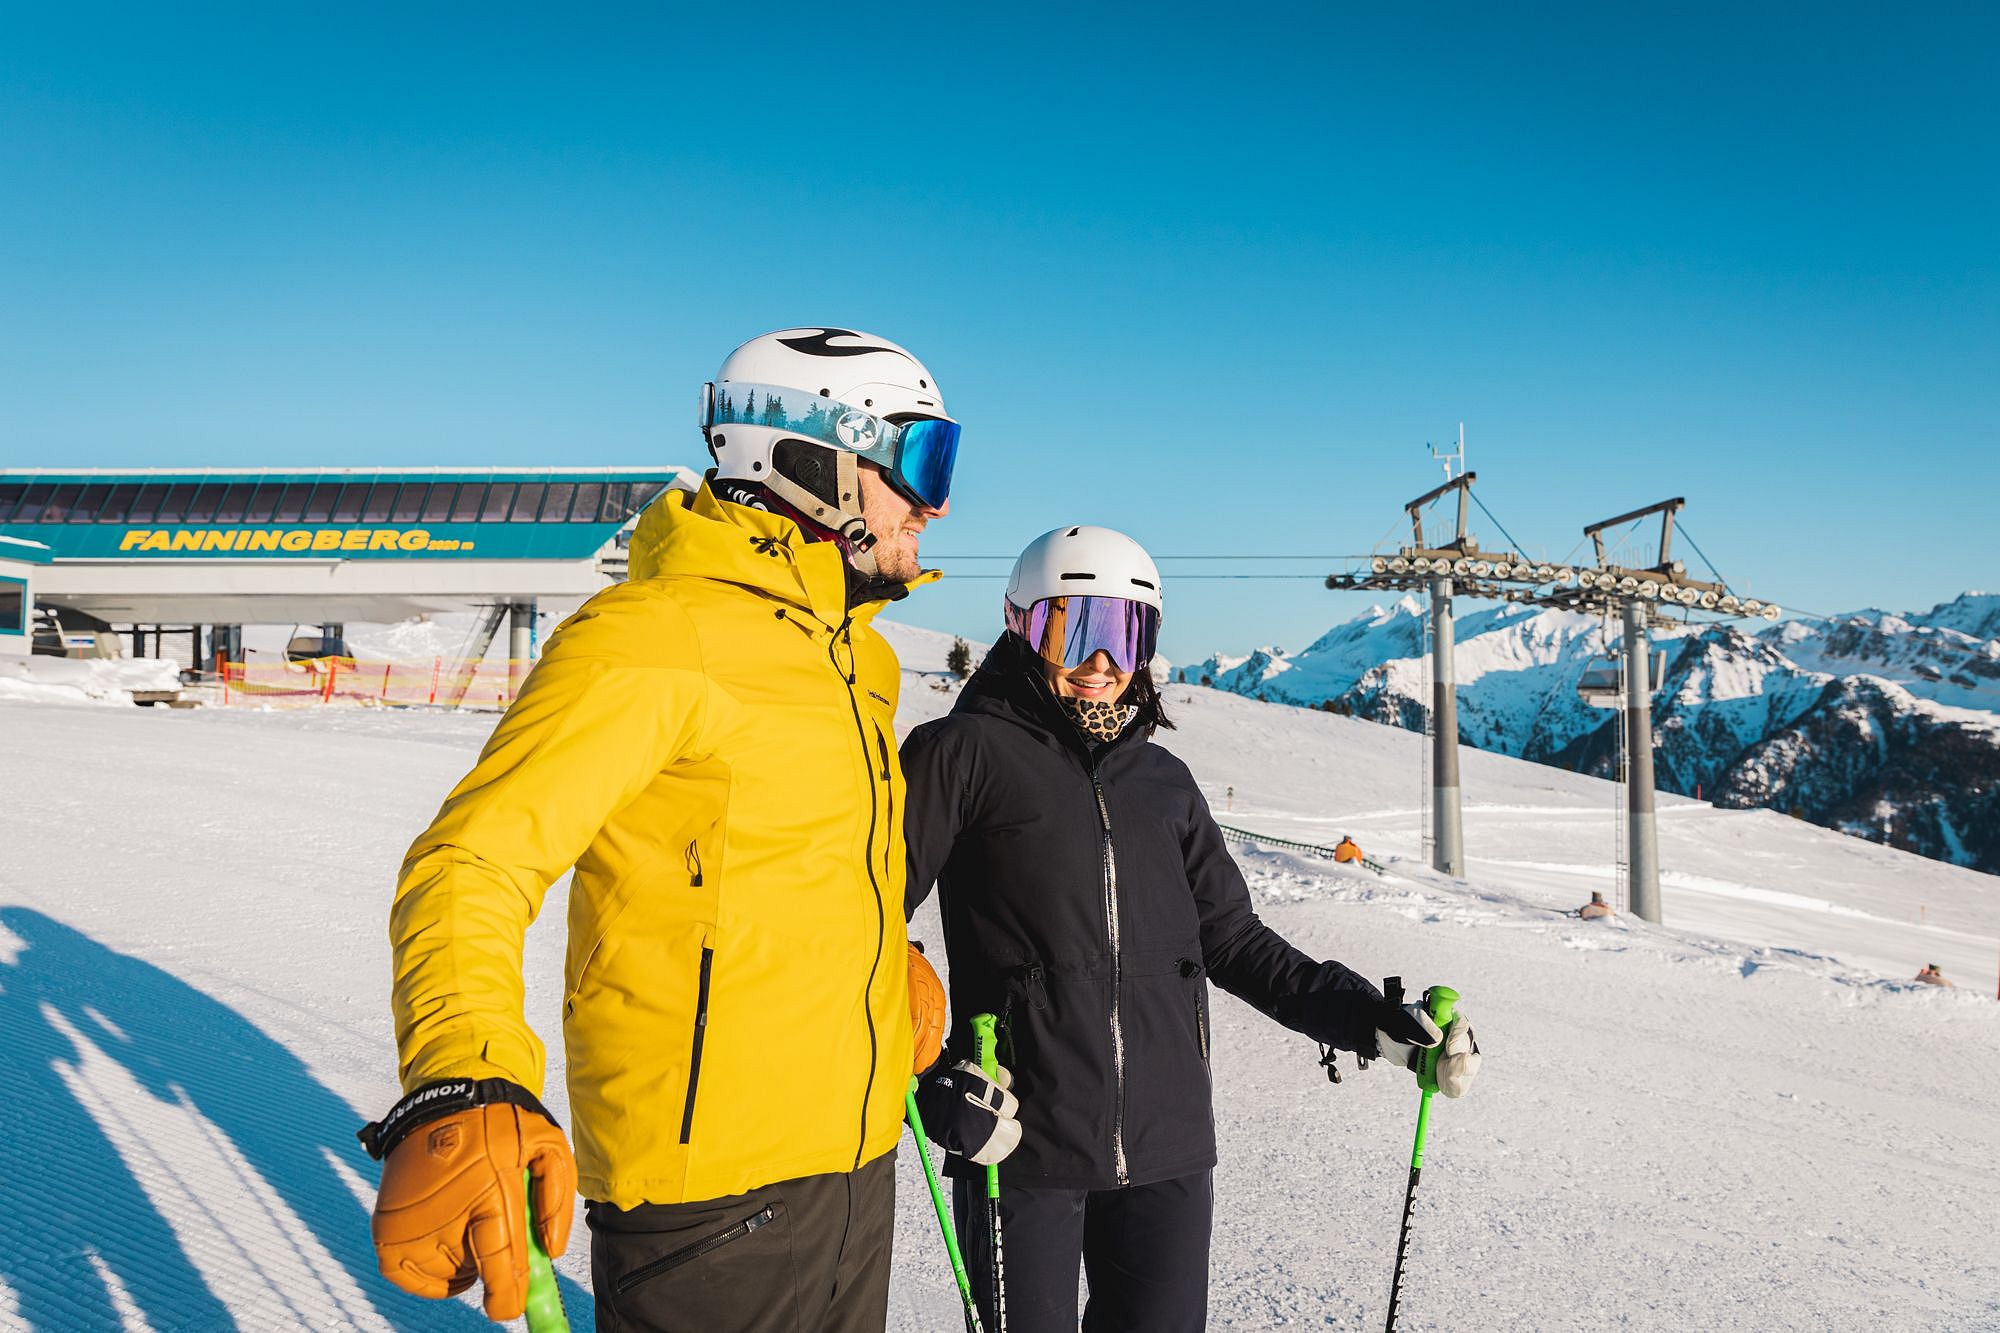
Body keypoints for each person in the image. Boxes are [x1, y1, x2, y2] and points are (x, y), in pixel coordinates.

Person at [362, 327, 965, 1332]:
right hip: (714, 1201)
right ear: (815, 458)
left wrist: (875, 956)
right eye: (918, 460)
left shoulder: (859, 658)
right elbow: (472, 860)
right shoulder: (652, 637)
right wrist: (466, 1070)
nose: (933, 503)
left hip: (857, 1162)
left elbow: (781, 859)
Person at [902, 525, 1482, 1333]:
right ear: (1020, 623)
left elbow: (1235, 941)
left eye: (1127, 633)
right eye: (1076, 627)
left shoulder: (1164, 782)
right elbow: (861, 925)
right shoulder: (959, 754)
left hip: (1167, 1147)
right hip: (1016, 1142)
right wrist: (933, 1077)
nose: (1102, 660)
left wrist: (1374, 1022)